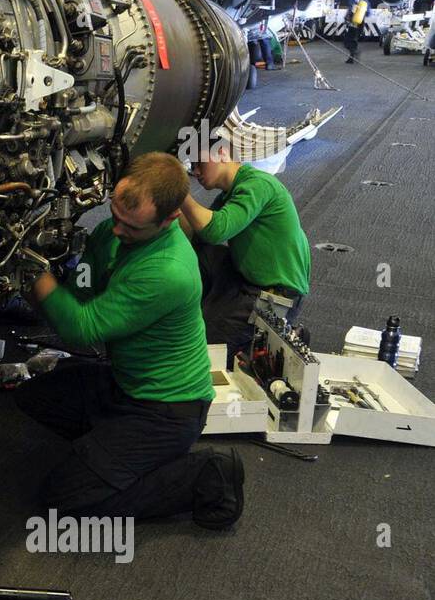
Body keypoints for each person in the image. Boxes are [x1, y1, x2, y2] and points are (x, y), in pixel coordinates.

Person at [17, 152, 243, 529]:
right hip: (127, 385)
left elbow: (80, 329)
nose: (118, 230)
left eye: (132, 228)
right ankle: (116, 454)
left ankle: (206, 475)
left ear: (171, 218)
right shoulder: (113, 233)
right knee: (33, 397)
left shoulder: (168, 272)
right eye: (115, 216)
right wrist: (64, 282)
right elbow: (82, 288)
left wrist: (31, 271)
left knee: (63, 502)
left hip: (167, 411)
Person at [180, 144, 310, 364]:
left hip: (275, 294)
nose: (196, 172)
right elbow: (198, 235)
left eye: (199, 163)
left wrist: (178, 192)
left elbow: (215, 230)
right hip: (246, 278)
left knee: (204, 353)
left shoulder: (257, 185)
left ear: (221, 153)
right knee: (196, 251)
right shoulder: (230, 194)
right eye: (192, 166)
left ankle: (273, 341)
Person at [345, 0, 368, 64]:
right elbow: (369, 13)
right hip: (360, 23)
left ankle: (354, 55)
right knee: (354, 40)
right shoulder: (365, 1)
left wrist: (347, 18)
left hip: (353, 22)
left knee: (348, 41)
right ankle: (352, 56)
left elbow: (350, 8)